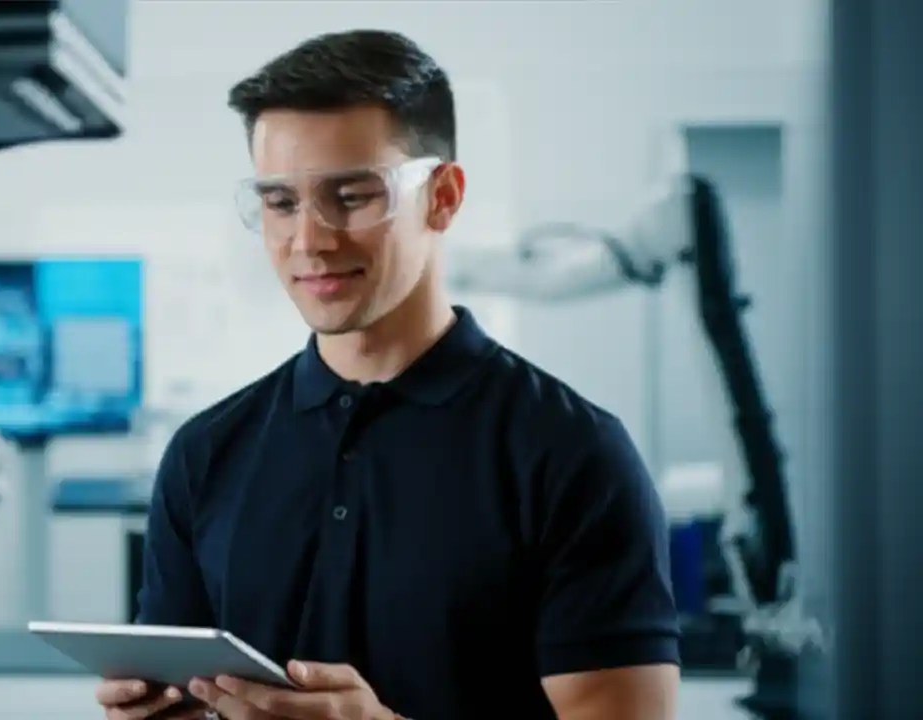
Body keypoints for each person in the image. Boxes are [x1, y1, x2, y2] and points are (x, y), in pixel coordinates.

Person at [96, 29, 681, 720]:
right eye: (281, 202)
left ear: (443, 196)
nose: (309, 240)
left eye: (351, 196)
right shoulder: (204, 455)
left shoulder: (572, 455)